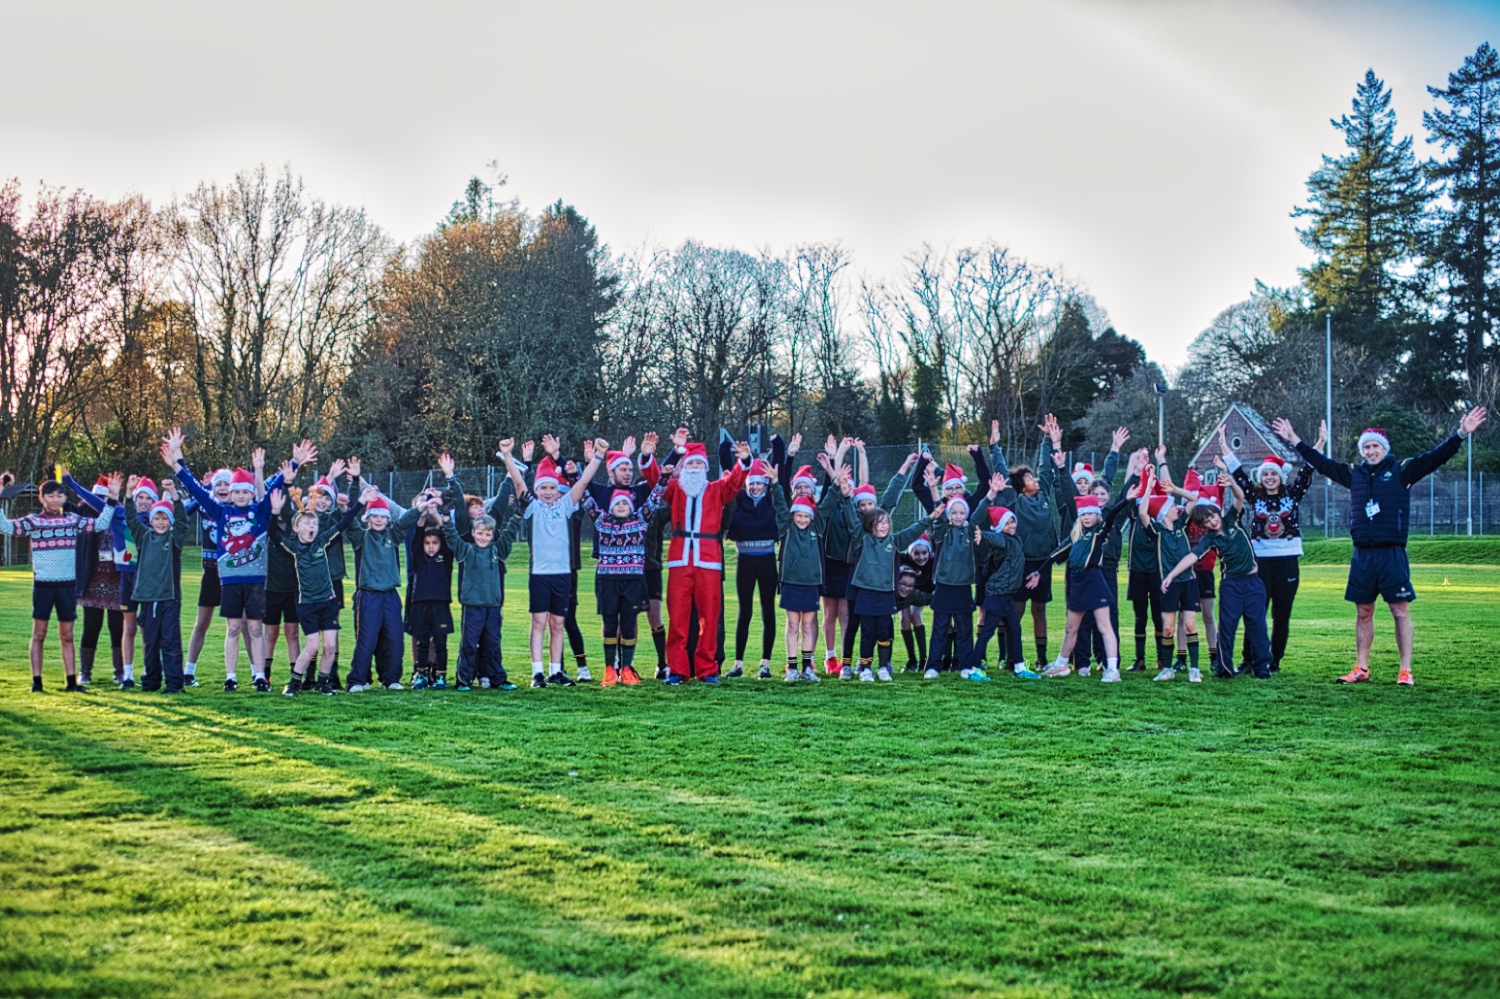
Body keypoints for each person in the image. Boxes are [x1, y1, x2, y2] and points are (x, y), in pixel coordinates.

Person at [1278, 409, 1487, 685]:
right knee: (1363, 611)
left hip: (1392, 554)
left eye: (1375, 445)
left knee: (1399, 611)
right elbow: (1321, 462)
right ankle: (1361, 668)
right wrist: (1294, 439)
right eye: (1366, 446)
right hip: (1363, 555)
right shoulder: (1354, 474)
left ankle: (1405, 670)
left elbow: (1436, 457)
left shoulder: (1402, 470)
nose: (1370, 450)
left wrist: (1460, 433)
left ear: (1384, 448)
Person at [164, 428, 309, 692]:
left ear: (251, 493)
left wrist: (295, 462)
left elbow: (277, 483)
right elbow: (196, 490)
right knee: (232, 628)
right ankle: (230, 676)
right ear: (230, 493)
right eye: (236, 492)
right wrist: (177, 466)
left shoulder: (260, 510)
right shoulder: (220, 512)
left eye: (245, 491)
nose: (241, 495)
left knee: (254, 628)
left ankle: (258, 676)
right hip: (229, 579)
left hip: (255, 581)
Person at [499, 437, 605, 687]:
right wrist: (507, 455)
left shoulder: (566, 506)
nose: (547, 492)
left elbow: (583, 481)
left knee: (558, 623)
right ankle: (537, 672)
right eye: (543, 488)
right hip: (539, 574)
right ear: (536, 490)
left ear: (558, 490)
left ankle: (555, 671)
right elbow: (517, 480)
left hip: (563, 574)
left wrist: (599, 455)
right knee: (539, 622)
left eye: (552, 488)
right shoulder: (532, 508)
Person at [1, 471, 120, 692]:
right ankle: (37, 682)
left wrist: (112, 498)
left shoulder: (72, 520)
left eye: (59, 496)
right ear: (42, 498)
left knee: (67, 635)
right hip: (44, 586)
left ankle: (72, 682)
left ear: (64, 498)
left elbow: (101, 524)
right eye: (51, 496)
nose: (55, 499)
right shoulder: (34, 522)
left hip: (67, 586)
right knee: (39, 634)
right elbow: (6, 527)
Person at [1220, 423, 1320, 673]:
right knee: (1254, 613)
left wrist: (1320, 444)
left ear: (1280, 476)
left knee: (1281, 616)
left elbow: (1308, 470)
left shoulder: (1292, 494)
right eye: (1265, 474)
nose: (1269, 478)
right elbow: (1238, 472)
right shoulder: (1254, 496)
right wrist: (1222, 441)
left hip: (1287, 560)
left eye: (1273, 474)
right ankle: (1249, 659)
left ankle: (1273, 661)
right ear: (1261, 477)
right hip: (1260, 561)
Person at [1162, 464, 1271, 679]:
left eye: (1213, 516)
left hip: (1253, 582)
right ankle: (1224, 668)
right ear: (1203, 525)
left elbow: (1239, 499)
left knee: (1257, 625)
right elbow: (1191, 557)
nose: (1212, 521)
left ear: (1217, 512)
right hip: (1231, 585)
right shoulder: (1209, 539)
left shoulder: (1231, 520)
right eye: (1206, 521)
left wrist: (1231, 484)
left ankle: (1262, 668)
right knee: (1227, 627)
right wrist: (1172, 574)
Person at [661, 432, 751, 684]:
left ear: (706, 469)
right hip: (680, 559)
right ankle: (678, 669)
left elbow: (735, 482)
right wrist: (675, 451)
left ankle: (707, 668)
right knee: (677, 616)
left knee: (709, 617)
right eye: (691, 464)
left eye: (700, 464)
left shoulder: (715, 489)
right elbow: (654, 478)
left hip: (708, 559)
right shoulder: (675, 490)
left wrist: (743, 461)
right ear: (685, 467)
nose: (696, 468)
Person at [581, 443, 669, 686]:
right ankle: (610, 668)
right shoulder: (602, 522)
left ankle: (628, 667)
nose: (621, 506)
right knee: (610, 624)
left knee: (630, 624)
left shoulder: (640, 521)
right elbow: (585, 496)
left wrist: (665, 476)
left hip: (633, 580)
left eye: (625, 504)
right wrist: (573, 469)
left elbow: (655, 496)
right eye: (617, 503)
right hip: (607, 581)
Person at [989, 414, 1071, 670]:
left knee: (1040, 611)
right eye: (1028, 478)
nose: (1034, 479)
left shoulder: (1044, 493)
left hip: (1043, 562)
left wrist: (1048, 438)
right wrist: (995, 447)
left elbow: (1047, 468)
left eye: (1034, 477)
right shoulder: (1015, 499)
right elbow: (1003, 472)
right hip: (1021, 563)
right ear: (1021, 486)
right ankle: (1009, 656)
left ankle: (1042, 657)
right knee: (1016, 610)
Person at [1040, 480, 1142, 682]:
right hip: (1077, 583)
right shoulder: (1077, 534)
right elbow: (1056, 554)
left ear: (1096, 514)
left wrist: (1126, 500)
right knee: (1071, 628)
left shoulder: (1100, 530)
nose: (1086, 517)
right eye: (1083, 514)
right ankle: (1061, 664)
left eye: (1089, 513)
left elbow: (1112, 514)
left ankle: (1112, 669)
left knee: (1105, 626)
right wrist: (1038, 573)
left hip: (1094, 582)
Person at [269, 485, 366, 696]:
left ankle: (324, 682)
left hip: (328, 603)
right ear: (297, 528)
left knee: (330, 646)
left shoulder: (322, 542)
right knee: (312, 647)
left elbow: (344, 522)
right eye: (306, 523)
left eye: (314, 523)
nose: (312, 526)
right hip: (307, 605)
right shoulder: (294, 549)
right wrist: (275, 511)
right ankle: (294, 683)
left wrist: (360, 502)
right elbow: (272, 534)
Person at [842, 474, 931, 682]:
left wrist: (930, 518)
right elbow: (852, 518)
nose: (883, 526)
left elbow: (913, 530)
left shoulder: (895, 541)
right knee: (867, 633)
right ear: (871, 525)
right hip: (865, 594)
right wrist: (846, 498)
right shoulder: (862, 539)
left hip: (885, 595)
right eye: (879, 523)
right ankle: (865, 668)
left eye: (886, 522)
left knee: (883, 631)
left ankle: (883, 667)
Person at [438, 489, 523, 692]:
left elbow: (510, 535)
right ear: (473, 533)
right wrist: (445, 517)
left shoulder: (497, 550)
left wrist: (518, 515)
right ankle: (464, 680)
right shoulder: (466, 550)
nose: (484, 537)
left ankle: (497, 679)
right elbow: (451, 536)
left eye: (488, 534)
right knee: (469, 644)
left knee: (493, 643)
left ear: (492, 535)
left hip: (492, 605)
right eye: (480, 533)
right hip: (472, 606)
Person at [771, 464, 842, 681]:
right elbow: (780, 504)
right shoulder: (787, 526)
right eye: (798, 516)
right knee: (793, 625)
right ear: (793, 516)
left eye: (806, 516)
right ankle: (792, 668)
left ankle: (807, 668)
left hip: (811, 583)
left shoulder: (817, 527)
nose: (802, 520)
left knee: (809, 625)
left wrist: (837, 482)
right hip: (791, 582)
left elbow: (829, 503)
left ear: (812, 517)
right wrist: (774, 483)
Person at [346, 490, 421, 691]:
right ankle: (357, 680)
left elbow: (405, 521)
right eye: (374, 516)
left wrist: (419, 507)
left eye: (382, 516)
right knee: (367, 639)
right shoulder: (361, 536)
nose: (378, 520)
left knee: (394, 638)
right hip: (369, 595)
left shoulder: (393, 535)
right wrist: (348, 504)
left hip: (390, 595)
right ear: (368, 518)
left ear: (387, 519)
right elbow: (348, 521)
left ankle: (391, 679)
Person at [920, 476, 991, 679]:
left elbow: (979, 512)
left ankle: (966, 666)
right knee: (939, 629)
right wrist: (933, 487)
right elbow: (938, 510)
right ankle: (933, 666)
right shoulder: (942, 530)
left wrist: (992, 492)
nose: (958, 516)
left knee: (964, 629)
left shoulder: (970, 530)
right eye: (954, 512)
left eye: (962, 512)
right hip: (943, 586)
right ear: (949, 514)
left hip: (963, 587)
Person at [1138, 469, 1202, 682]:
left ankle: (1194, 669)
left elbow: (1194, 499)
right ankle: (1167, 668)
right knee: (1167, 628)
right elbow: (1143, 513)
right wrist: (1148, 488)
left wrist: (1175, 490)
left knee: (1190, 624)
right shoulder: (1157, 531)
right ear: (1165, 512)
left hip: (1188, 582)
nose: (1178, 508)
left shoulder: (1182, 524)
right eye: (1173, 506)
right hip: (1168, 585)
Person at [125, 485, 190, 693]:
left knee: (170, 642)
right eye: (157, 518)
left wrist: (174, 497)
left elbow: (182, 522)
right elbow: (131, 519)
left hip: (169, 598)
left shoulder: (174, 540)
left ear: (170, 521)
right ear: (151, 520)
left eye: (165, 519)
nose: (161, 522)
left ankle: (174, 684)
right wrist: (127, 496)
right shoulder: (144, 537)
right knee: (150, 643)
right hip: (147, 598)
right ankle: (151, 682)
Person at [973, 506, 1038, 679]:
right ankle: (973, 667)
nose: (1011, 526)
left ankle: (1019, 666)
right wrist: (984, 536)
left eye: (1012, 522)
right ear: (999, 526)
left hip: (1006, 595)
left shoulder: (1015, 539)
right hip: (997, 595)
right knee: (987, 631)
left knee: (1015, 630)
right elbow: (996, 539)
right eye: (1006, 523)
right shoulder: (1003, 540)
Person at [404, 494, 454, 689]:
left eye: (434, 543)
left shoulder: (445, 556)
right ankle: (421, 674)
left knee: (440, 641)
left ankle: (440, 675)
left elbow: (447, 534)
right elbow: (416, 535)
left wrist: (436, 514)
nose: (431, 547)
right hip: (420, 603)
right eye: (427, 543)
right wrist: (423, 514)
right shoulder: (417, 555)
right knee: (422, 641)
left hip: (441, 602)